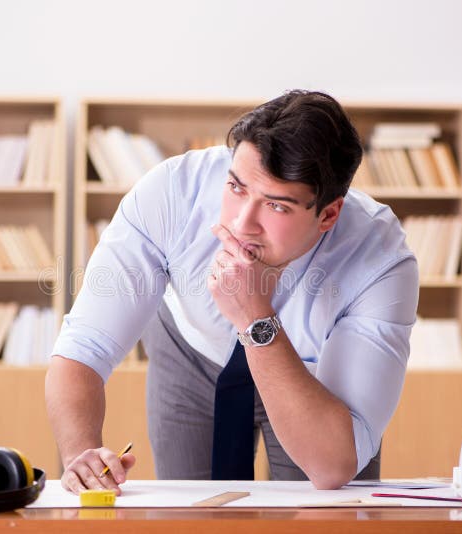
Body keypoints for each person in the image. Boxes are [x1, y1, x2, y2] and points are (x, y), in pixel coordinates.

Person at [46, 90, 418, 495]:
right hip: (190, 349)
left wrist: (255, 318)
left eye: (276, 206)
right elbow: (82, 349)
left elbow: (333, 464)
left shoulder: (380, 259)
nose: (242, 223)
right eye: (237, 187)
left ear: (328, 214)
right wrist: (79, 455)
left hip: (312, 375)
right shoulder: (172, 192)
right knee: (193, 514)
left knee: (326, 512)